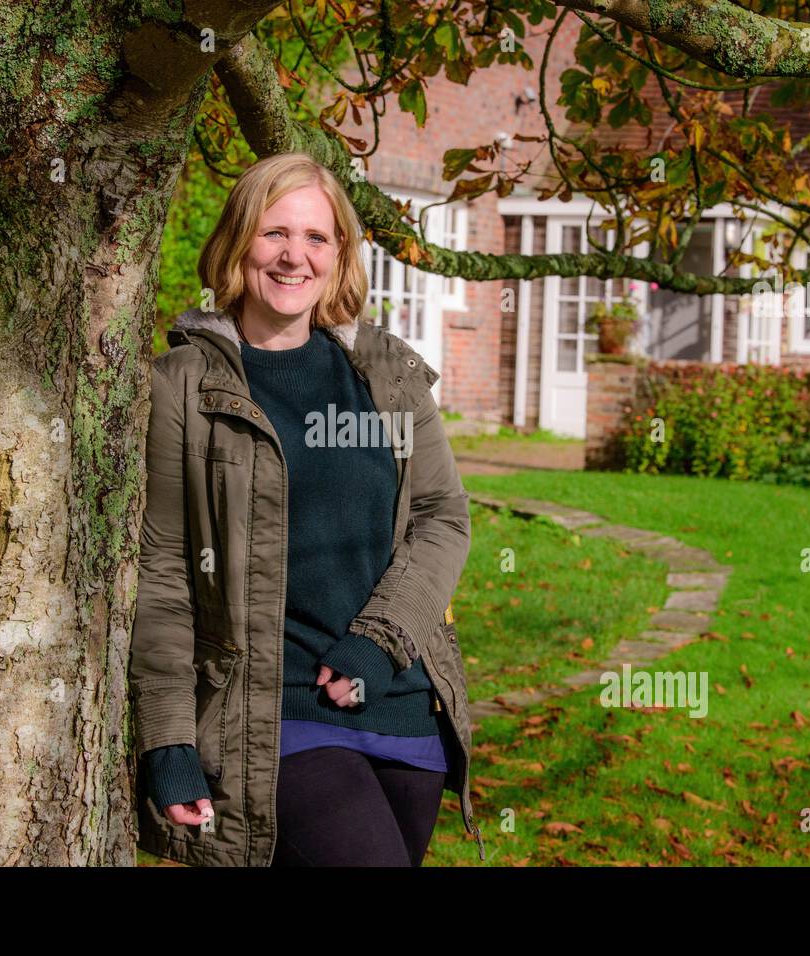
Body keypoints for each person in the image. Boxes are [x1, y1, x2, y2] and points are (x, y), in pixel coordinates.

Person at [129, 151, 482, 867]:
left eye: (317, 238)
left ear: (341, 255)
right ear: (238, 243)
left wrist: (378, 645)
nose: (296, 257)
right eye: (274, 234)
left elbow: (442, 517)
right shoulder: (181, 386)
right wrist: (167, 741)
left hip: (401, 701)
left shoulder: (387, 371)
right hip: (273, 717)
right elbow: (162, 573)